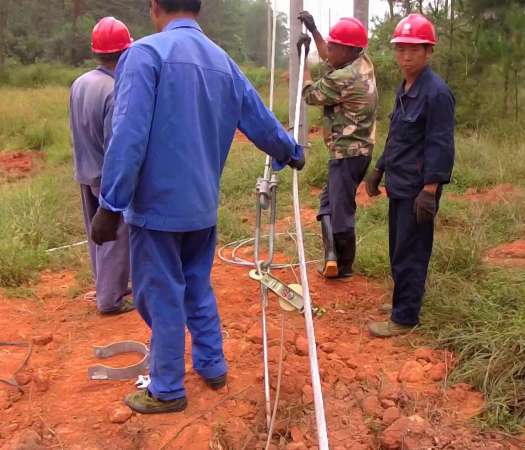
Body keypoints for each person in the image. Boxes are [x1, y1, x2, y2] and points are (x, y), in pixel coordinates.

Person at [90, 0, 305, 414]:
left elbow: (128, 135)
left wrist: (111, 204)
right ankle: (212, 365)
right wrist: (290, 150)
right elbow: (258, 118)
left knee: (160, 295)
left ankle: (167, 388)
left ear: (155, 8)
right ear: (198, 8)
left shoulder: (144, 55)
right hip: (201, 206)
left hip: (156, 210)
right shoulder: (222, 62)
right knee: (196, 285)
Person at [364, 14, 455, 337]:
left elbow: (440, 144)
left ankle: (405, 318)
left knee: (412, 251)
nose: (405, 56)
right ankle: (406, 300)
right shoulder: (405, 87)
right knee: (398, 248)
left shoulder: (436, 93)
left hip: (419, 188)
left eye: (413, 50)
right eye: (401, 49)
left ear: (428, 52)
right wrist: (379, 168)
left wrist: (430, 189)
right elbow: (398, 135)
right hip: (399, 184)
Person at [297, 12, 378, 279]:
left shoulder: (344, 78)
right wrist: (315, 31)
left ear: (348, 50)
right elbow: (331, 56)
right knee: (328, 204)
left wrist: (302, 61)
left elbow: (310, 94)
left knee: (339, 210)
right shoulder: (362, 63)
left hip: (347, 154)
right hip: (359, 151)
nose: (328, 49)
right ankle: (332, 258)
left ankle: (343, 266)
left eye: (334, 45)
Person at [69, 17, 135, 316]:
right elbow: (115, 143)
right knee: (115, 235)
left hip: (84, 169)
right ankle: (109, 299)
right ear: (124, 52)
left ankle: (106, 284)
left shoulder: (80, 83)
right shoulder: (114, 89)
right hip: (106, 174)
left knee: (95, 233)